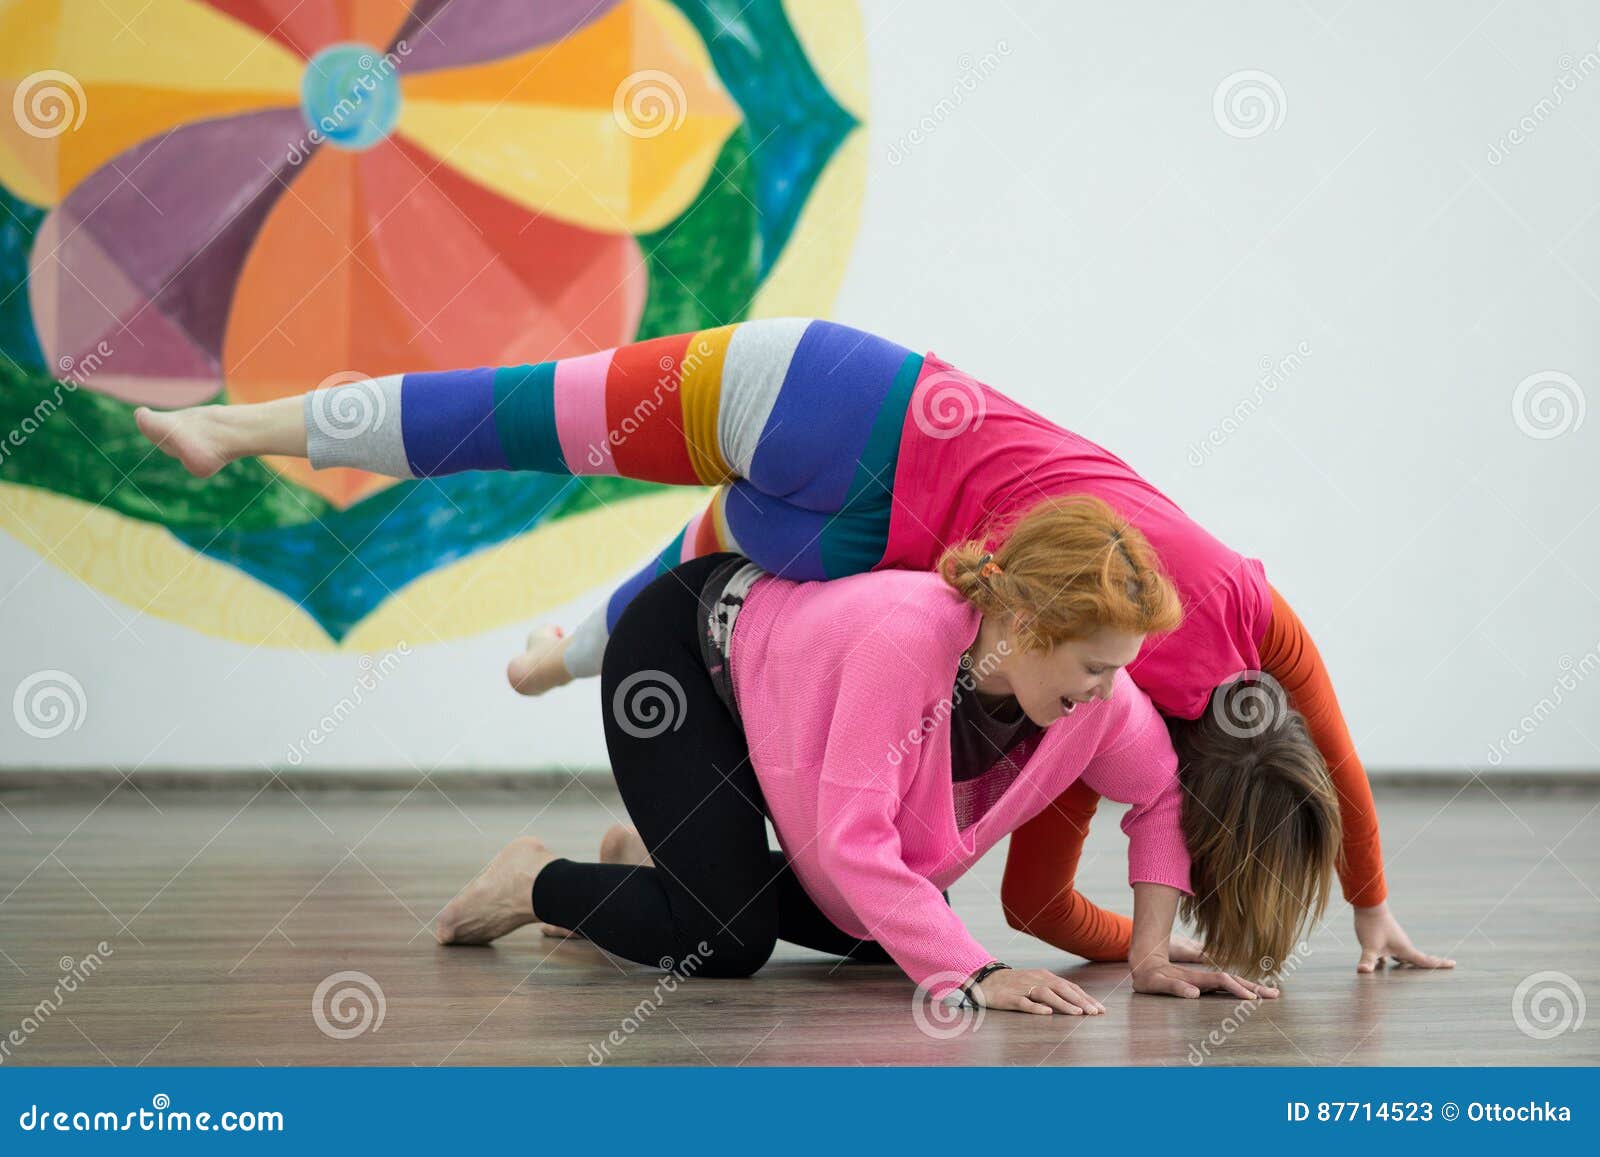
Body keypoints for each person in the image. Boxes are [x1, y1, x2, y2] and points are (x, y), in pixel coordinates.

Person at [135, 316, 1451, 972]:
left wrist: (1354, 907)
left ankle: (567, 639)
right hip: (843, 413)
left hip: (838, 478)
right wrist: (1199, 944)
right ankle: (254, 435)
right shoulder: (1131, 655)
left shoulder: (1161, 666)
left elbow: (1312, 748)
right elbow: (1044, 896)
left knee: (661, 502)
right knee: (554, 435)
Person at [430, 497, 1295, 1011]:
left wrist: (1148, 955)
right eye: (1096, 667)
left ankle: (655, 861)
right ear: (1029, 627)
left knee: (896, 931)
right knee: (727, 939)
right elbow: (853, 842)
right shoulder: (907, 641)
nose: (1110, 692)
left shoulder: (1098, 700)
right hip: (687, 657)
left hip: (781, 704)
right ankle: (531, 878)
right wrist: (977, 974)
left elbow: (1160, 797)